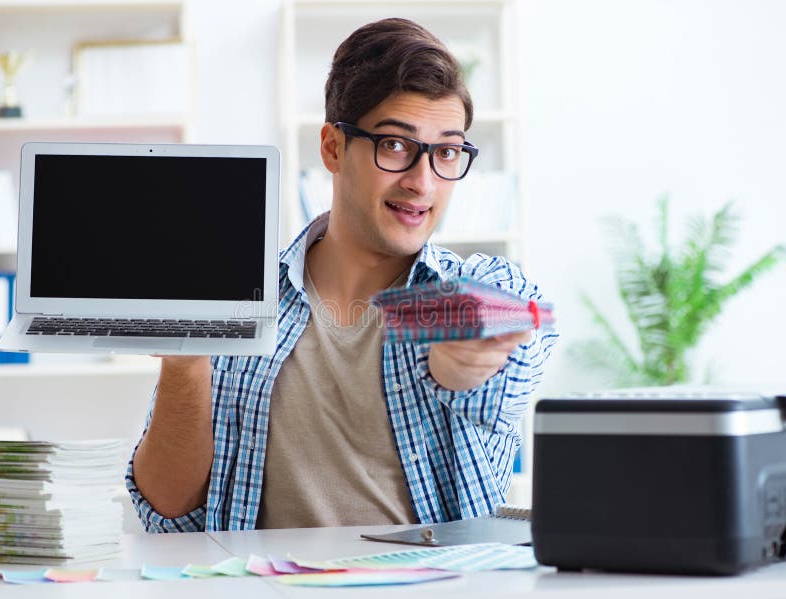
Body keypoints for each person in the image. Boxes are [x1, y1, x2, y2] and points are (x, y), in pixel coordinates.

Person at [127, 17, 558, 532]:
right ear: (332, 147)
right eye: (396, 145)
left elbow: (515, 345)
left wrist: (459, 360)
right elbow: (167, 513)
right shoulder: (232, 297)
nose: (423, 183)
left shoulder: (470, 289)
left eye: (446, 152)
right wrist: (185, 362)